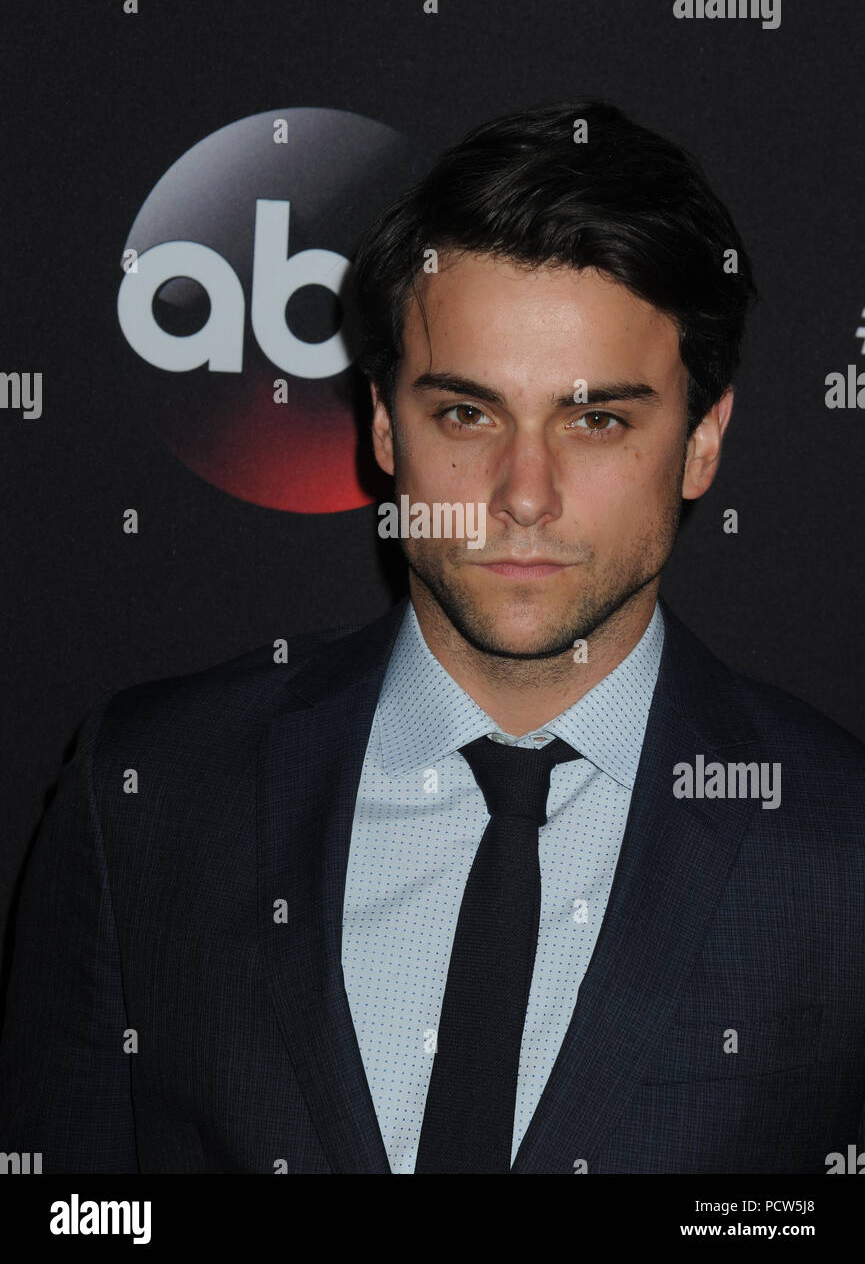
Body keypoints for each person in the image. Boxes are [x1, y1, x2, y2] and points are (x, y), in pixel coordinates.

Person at [1, 100, 863, 1174]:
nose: (524, 494)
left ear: (699, 442)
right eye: (466, 414)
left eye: (596, 420)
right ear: (381, 424)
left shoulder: (840, 848)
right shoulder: (152, 789)